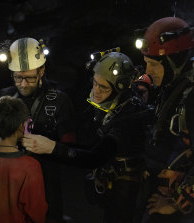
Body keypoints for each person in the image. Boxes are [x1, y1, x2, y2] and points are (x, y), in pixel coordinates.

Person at [22, 51, 153, 223]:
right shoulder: (115, 103)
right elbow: (93, 146)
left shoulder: (127, 117)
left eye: (103, 87)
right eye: (94, 83)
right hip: (115, 178)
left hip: (127, 189)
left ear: (119, 88)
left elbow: (94, 157)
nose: (96, 91)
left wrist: (52, 148)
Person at [0, 37, 76, 223]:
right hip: (10, 182)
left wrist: (51, 147)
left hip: (47, 183)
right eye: (18, 77)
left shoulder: (59, 101)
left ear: (42, 71)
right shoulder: (2, 98)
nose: (23, 84)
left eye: (30, 78)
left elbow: (71, 148)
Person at [133, 17, 194, 222]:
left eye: (153, 64)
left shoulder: (191, 97)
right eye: (146, 63)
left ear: (174, 62)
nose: (147, 72)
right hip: (156, 191)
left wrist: (178, 203)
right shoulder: (171, 88)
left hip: (171, 208)